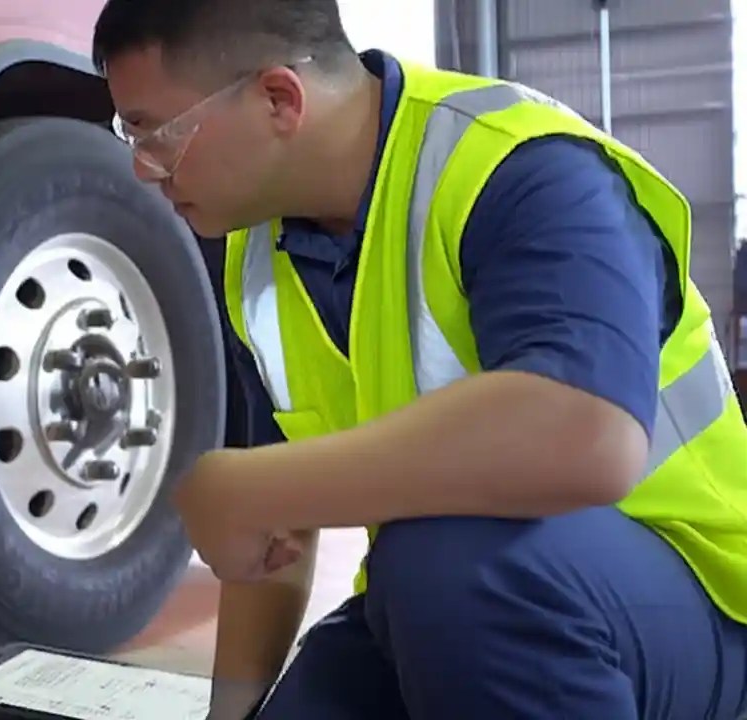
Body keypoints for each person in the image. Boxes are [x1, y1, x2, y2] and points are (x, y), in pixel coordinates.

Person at [91, 1, 747, 718]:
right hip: (466, 605)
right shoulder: (260, 258)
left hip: (699, 603)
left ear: (280, 97)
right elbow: (269, 545)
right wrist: (232, 713)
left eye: (159, 132)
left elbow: (590, 435)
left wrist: (257, 487)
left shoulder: (518, 169)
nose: (143, 166)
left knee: (444, 565)